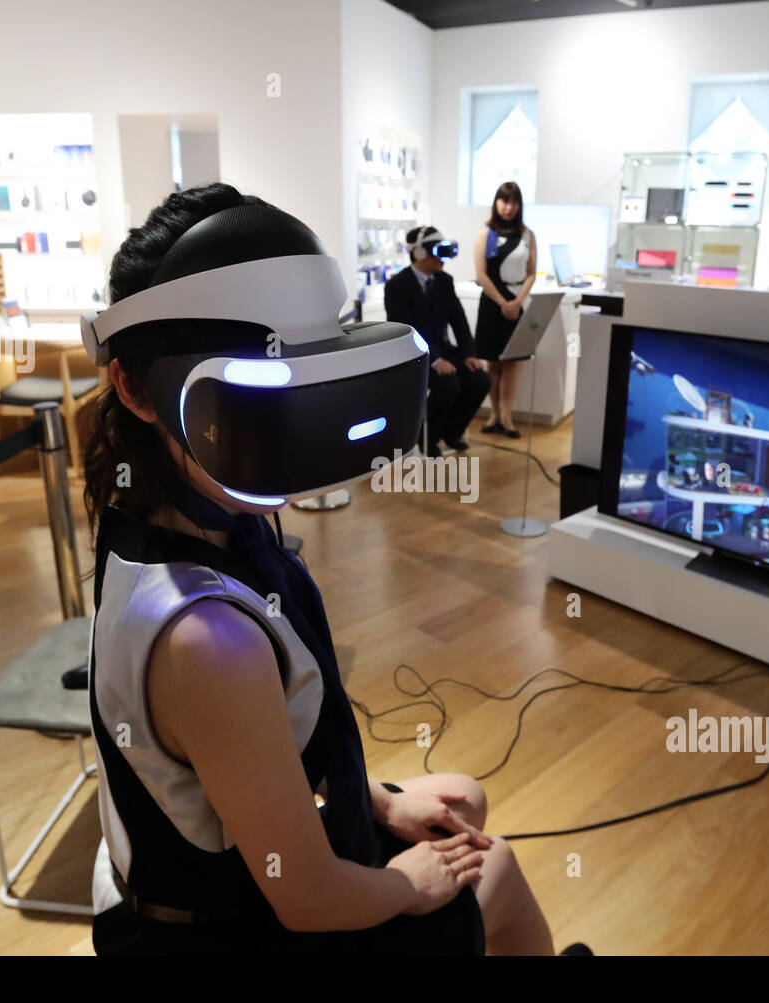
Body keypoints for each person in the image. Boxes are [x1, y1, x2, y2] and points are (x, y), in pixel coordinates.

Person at [81, 183, 571, 956]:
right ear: (138, 390)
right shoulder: (211, 642)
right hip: (234, 923)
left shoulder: (160, 526)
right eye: (257, 396)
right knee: (494, 867)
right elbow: (307, 900)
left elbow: (240, 767)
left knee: (459, 798)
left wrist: (376, 805)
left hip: (213, 867)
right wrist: (413, 884)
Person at [383, 225, 490, 458]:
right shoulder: (397, 286)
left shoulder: (445, 281)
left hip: (444, 351)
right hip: (413, 356)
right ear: (419, 253)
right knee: (447, 383)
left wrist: (470, 354)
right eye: (436, 252)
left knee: (480, 380)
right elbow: (404, 331)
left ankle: (452, 432)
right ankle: (427, 438)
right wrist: (435, 360)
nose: (443, 259)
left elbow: (459, 321)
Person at [473, 181, 537, 439]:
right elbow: (481, 275)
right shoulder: (484, 234)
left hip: (517, 300)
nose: (508, 207)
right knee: (494, 363)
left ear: (519, 205)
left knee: (512, 364)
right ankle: (494, 414)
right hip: (492, 303)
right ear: (496, 203)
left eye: (513, 202)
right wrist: (503, 303)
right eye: (503, 201)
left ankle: (507, 416)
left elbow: (531, 273)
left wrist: (517, 301)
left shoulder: (527, 235)